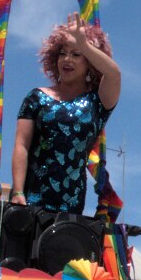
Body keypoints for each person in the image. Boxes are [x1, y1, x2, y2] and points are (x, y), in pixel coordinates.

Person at [10, 18, 121, 214]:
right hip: (29, 201)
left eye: (76, 54)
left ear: (89, 63)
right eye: (63, 54)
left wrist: (84, 44)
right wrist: (17, 192)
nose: (67, 59)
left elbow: (114, 74)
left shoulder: (97, 101)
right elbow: (21, 145)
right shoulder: (36, 97)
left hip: (71, 207)